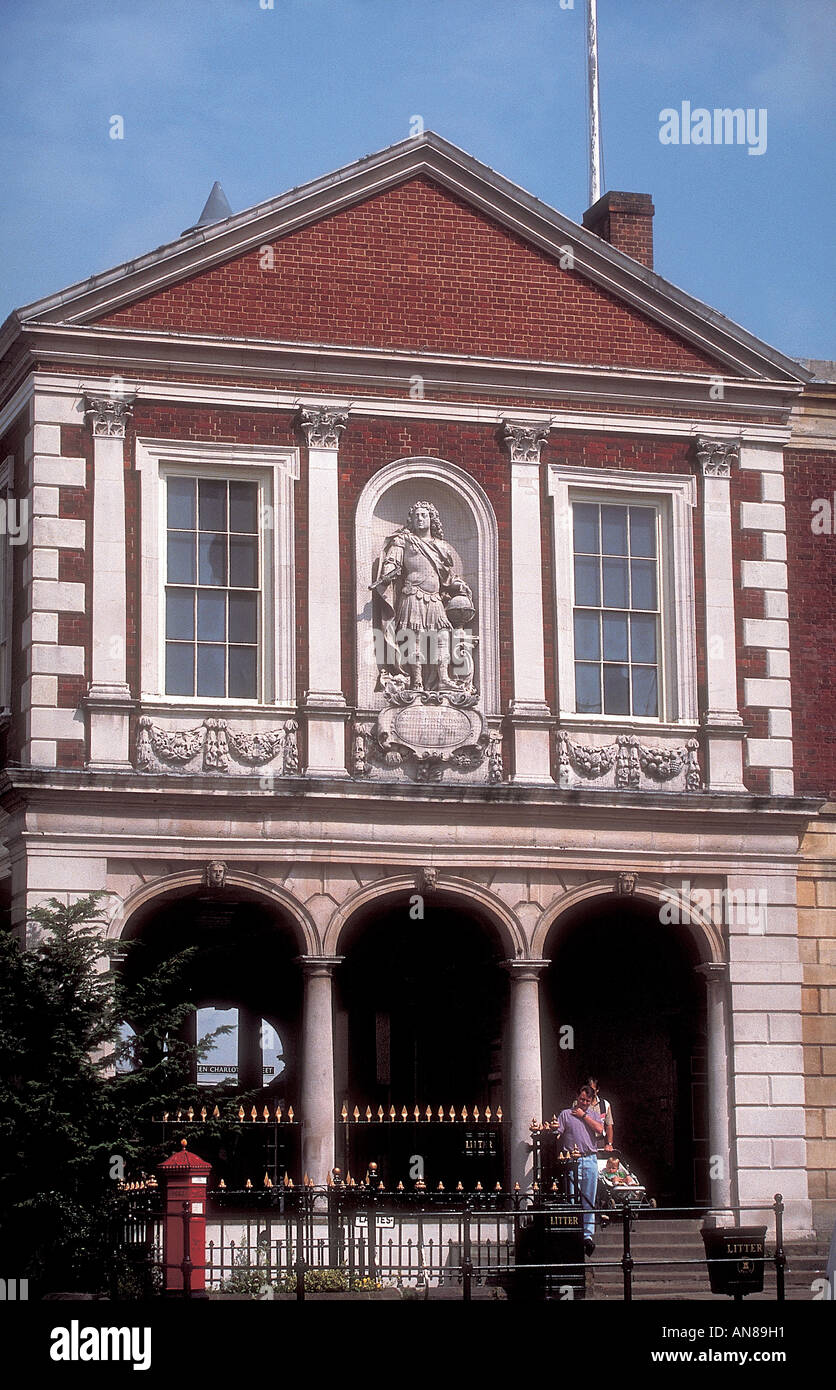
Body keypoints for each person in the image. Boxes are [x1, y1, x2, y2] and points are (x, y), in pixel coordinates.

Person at [371, 500, 474, 691]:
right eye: (416, 515)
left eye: (423, 515)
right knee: (414, 637)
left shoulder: (441, 547)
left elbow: (447, 576)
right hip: (412, 596)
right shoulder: (404, 540)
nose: (420, 518)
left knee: (443, 636)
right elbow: (392, 561)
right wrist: (388, 571)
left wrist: (460, 585)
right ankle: (416, 680)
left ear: (431, 519)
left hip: (434, 598)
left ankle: (443, 678)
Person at [555, 1085, 604, 1254]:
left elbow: (600, 1130)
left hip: (590, 1158)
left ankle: (587, 1235)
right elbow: (557, 1133)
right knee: (572, 1196)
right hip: (572, 1160)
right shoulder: (565, 1114)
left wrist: (584, 1116)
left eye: (587, 1101)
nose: (583, 1103)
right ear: (577, 1097)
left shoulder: (593, 1115)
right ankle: (573, 1231)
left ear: (591, 1102)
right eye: (582, 1099)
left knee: (588, 1198)